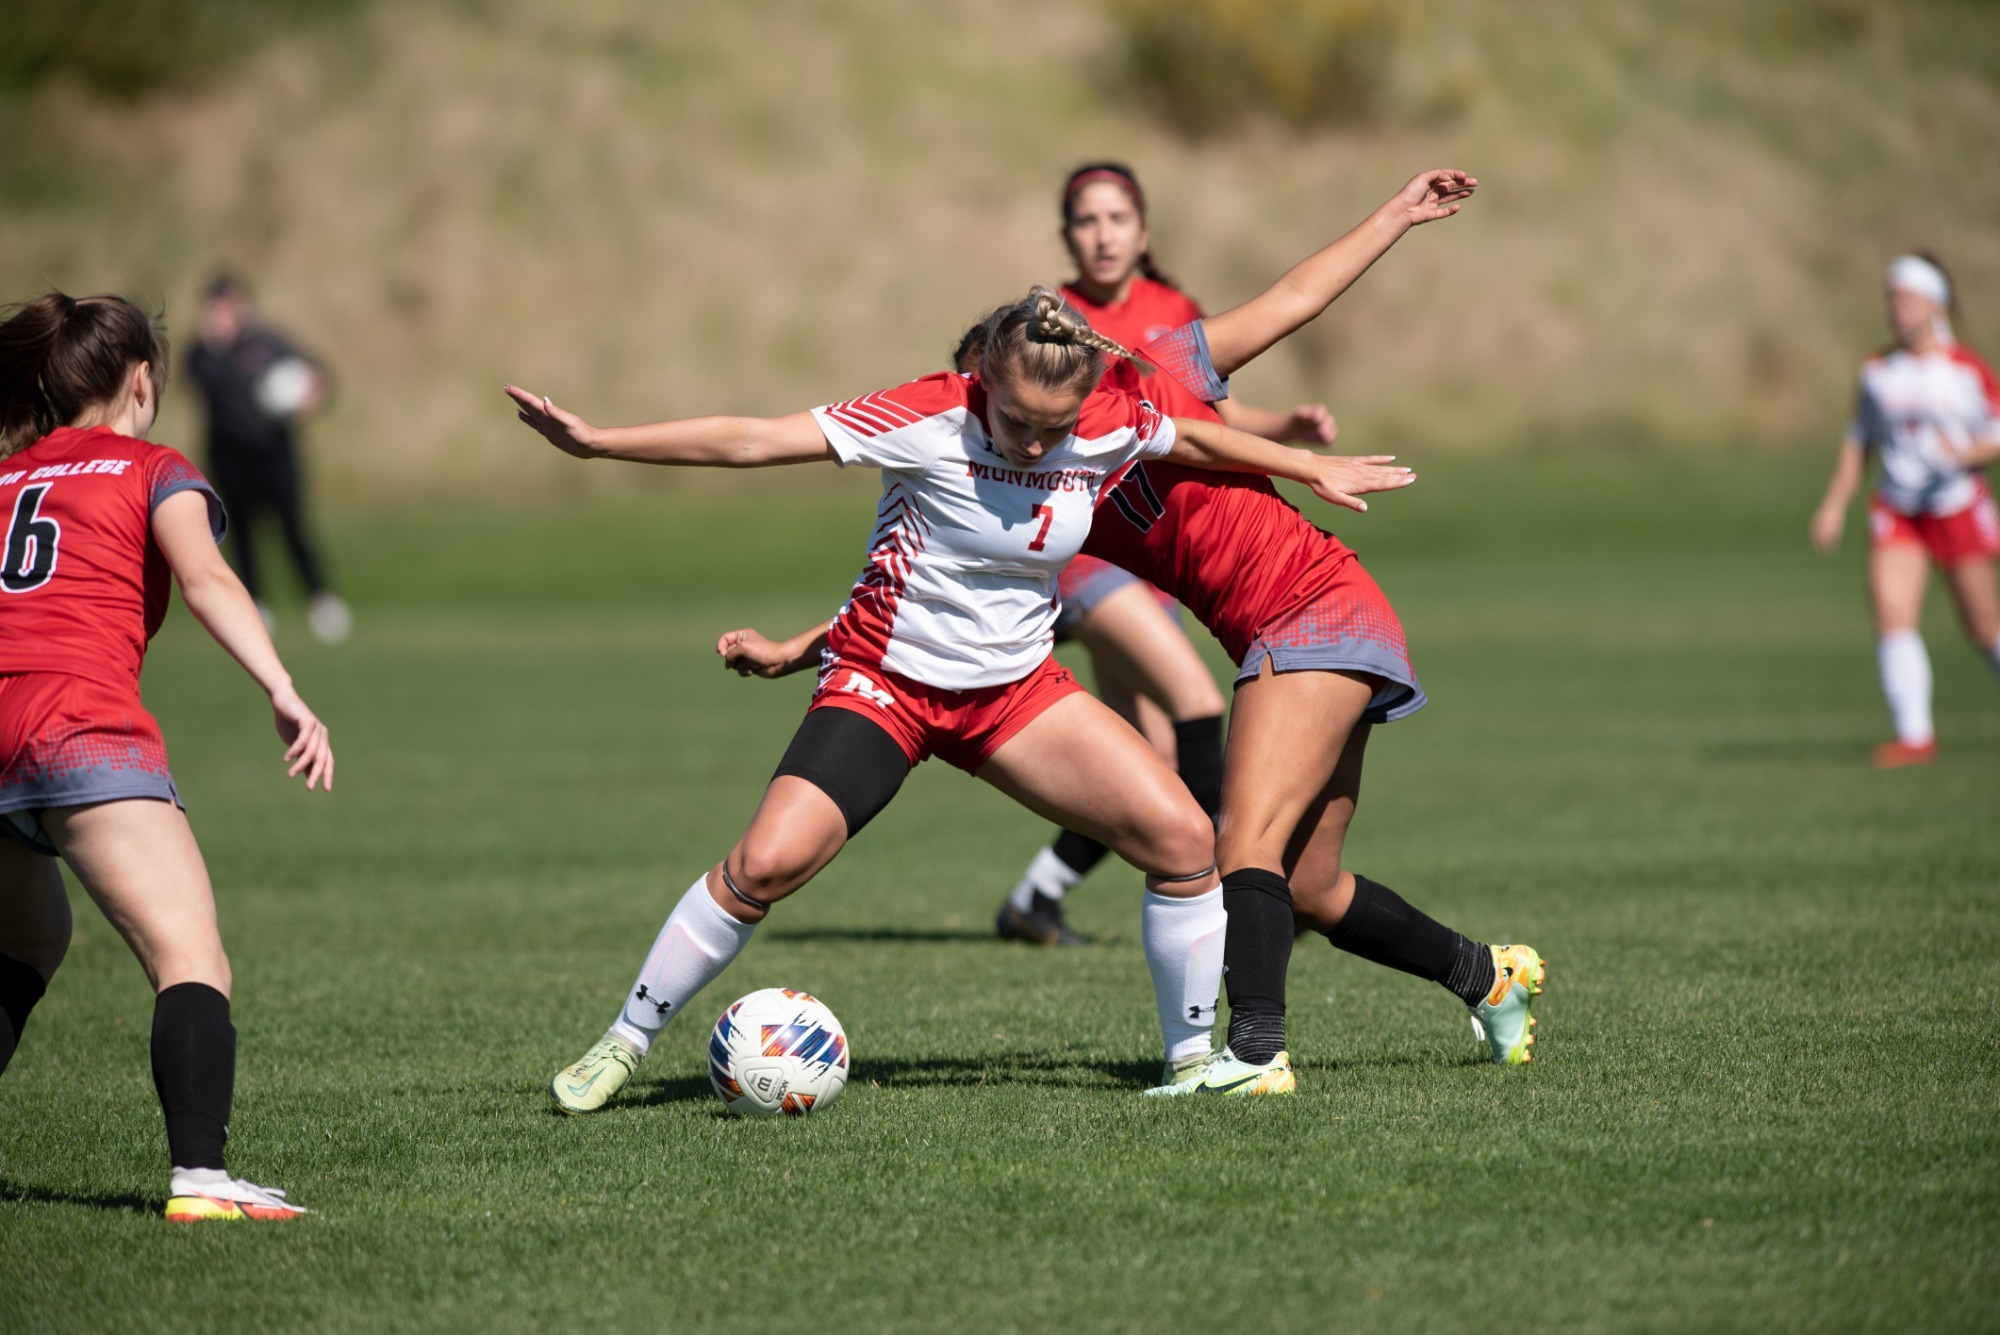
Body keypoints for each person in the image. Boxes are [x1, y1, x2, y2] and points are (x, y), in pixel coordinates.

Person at [729, 170, 1543, 1095]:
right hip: (1289, 629)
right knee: (1309, 886)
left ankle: (1252, 1055)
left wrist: (1398, 213)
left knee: (1239, 840)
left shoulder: (1159, 373)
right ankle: (1488, 975)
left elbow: (1293, 298)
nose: (1024, 424)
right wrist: (811, 643)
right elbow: (932, 589)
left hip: (1315, 604)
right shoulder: (1039, 481)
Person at [508, 287, 1413, 1113]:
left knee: (1182, 840)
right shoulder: (929, 412)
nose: (1032, 442)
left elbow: (1192, 435)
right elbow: (754, 437)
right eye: (1017, 419)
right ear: (984, 378)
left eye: (1051, 427)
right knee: (767, 862)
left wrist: (1302, 466)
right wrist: (601, 443)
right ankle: (622, 1044)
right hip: (885, 683)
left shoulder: (1103, 416)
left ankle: (1188, 1068)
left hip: (1015, 694)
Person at [0, 291, 335, 1221]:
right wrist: (282, 686)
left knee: (29, 939)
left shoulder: (7, 474)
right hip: (77, 722)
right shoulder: (154, 467)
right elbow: (207, 576)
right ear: (141, 379)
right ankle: (201, 1178)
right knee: (190, 955)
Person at [1811, 253, 2000, 767]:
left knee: (1984, 626)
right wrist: (1833, 505)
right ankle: (1915, 736)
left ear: (1935, 305)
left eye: (1908, 300)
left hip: (1956, 504)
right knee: (1893, 614)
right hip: (1898, 507)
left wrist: (1966, 453)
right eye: (1892, 299)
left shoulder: (1966, 370)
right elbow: (1858, 442)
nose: (1898, 310)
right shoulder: (1878, 371)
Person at [1058, 161, 1336, 446]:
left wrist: (1289, 427)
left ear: (1143, 234)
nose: (1104, 238)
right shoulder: (1055, 320)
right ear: (1067, 238)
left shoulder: (1176, 308)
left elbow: (1229, 419)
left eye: (1118, 219)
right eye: (1087, 221)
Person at [186, 272, 351, 644]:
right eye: (218, 308)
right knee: (241, 533)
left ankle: (321, 600)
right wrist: (215, 346)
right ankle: (254, 604)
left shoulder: (268, 343)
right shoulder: (203, 353)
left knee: (293, 527)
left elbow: (319, 375)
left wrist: (312, 392)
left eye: (231, 306)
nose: (226, 315)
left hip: (276, 457)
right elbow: (199, 378)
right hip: (229, 458)